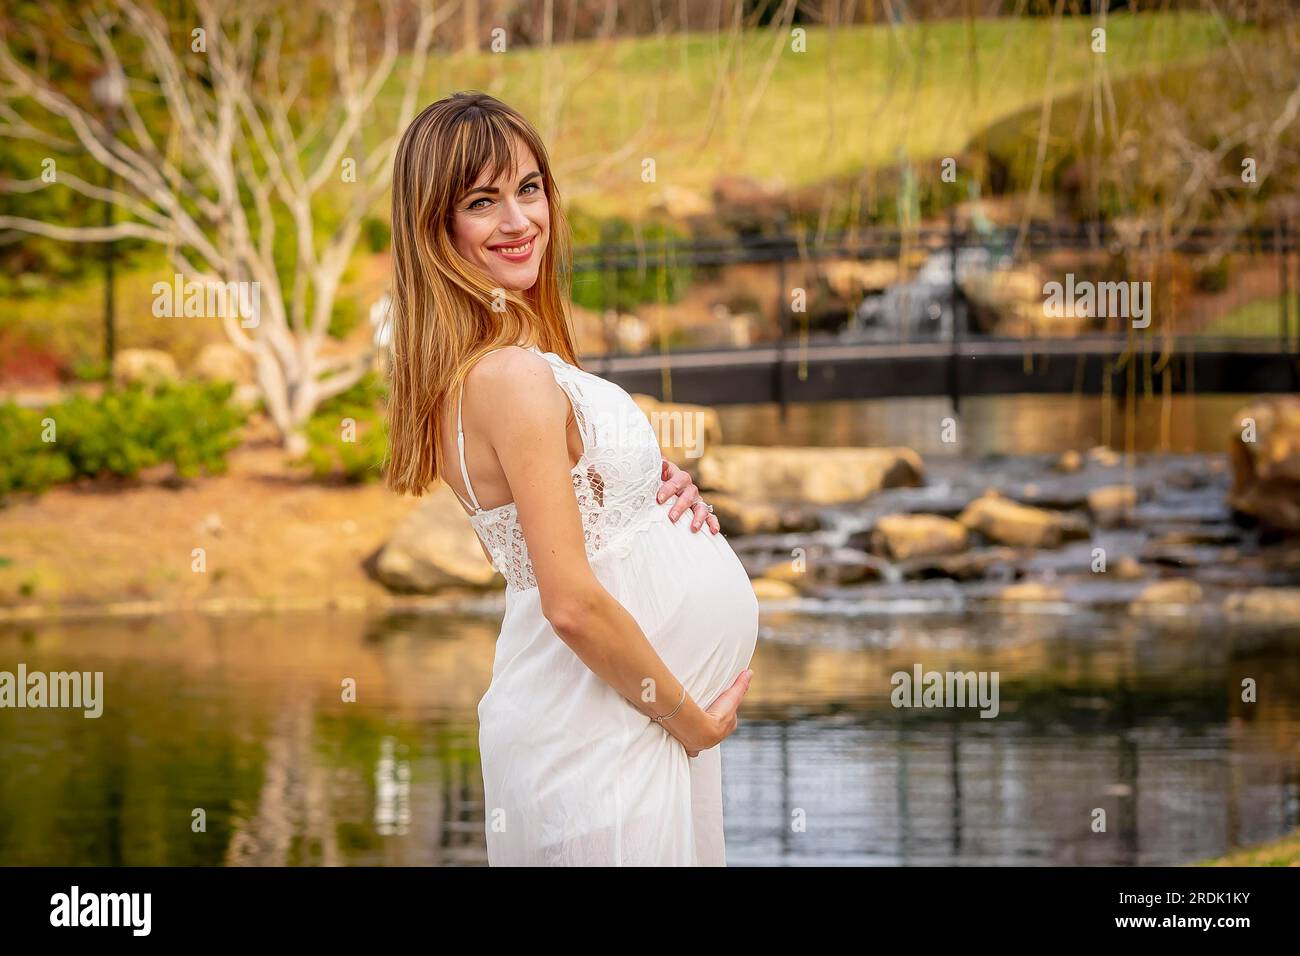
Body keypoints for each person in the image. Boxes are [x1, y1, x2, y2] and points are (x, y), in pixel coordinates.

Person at [384, 91, 758, 866]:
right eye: (481, 202)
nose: (520, 220)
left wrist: (653, 494)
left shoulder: (504, 362)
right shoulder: (509, 376)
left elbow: (587, 516)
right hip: (611, 737)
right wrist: (692, 723)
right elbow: (572, 604)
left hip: (624, 726)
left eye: (529, 188)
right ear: (434, 227)